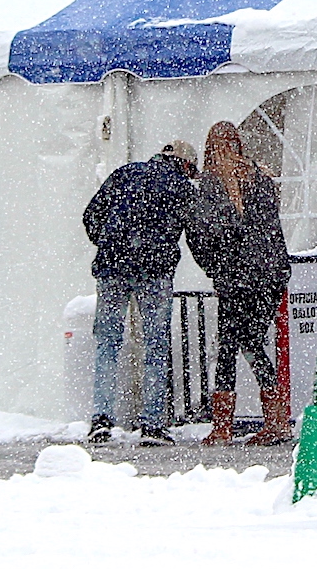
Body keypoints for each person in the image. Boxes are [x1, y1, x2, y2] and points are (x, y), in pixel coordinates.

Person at [81, 141, 201, 445]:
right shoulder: (181, 188)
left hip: (112, 268)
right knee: (155, 345)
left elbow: (91, 216)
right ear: (186, 165)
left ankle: (101, 420)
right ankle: (152, 424)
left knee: (108, 343)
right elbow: (198, 233)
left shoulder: (125, 173)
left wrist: (111, 244)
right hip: (155, 272)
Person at [187, 122, 293, 446]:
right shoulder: (260, 178)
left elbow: (205, 234)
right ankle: (276, 419)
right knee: (252, 342)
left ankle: (223, 426)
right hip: (269, 274)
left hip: (237, 276)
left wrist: (216, 268)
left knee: (229, 348)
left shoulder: (210, 183)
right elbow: (271, 229)